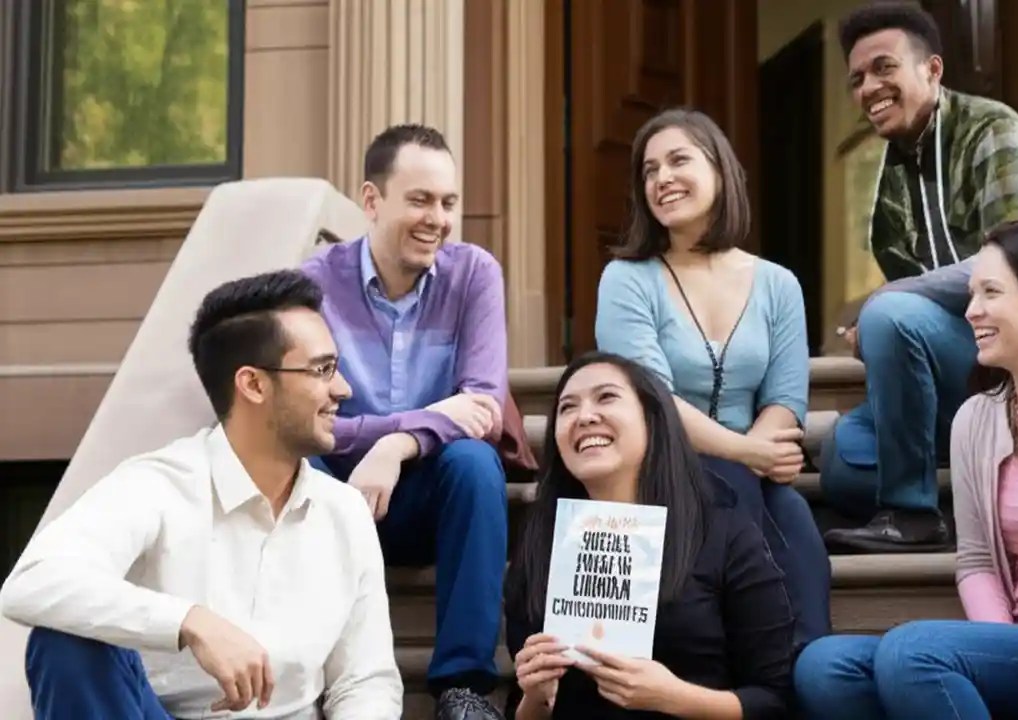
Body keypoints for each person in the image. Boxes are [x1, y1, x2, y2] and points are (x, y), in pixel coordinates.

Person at [0, 270, 402, 719]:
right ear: (252, 384)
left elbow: (365, 681)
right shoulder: (157, 485)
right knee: (66, 643)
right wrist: (189, 621)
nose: (342, 388)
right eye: (321, 369)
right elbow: (31, 581)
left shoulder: (343, 511)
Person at [795, 220, 1018, 719]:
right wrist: (996, 647)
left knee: (912, 654)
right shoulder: (978, 418)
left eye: (991, 292)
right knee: (826, 666)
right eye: (972, 293)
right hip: (1007, 644)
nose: (971, 311)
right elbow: (975, 561)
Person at [822, 0, 1018, 553]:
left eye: (884, 67)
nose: (869, 87)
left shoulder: (990, 129)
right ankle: (988, 499)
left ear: (932, 69)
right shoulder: (890, 188)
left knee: (888, 312)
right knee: (840, 458)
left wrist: (886, 303)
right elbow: (914, 322)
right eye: (857, 79)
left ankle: (910, 514)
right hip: (959, 374)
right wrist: (882, 329)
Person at [594, 107, 831, 647]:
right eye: (649, 170)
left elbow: (785, 399)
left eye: (678, 160)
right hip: (665, 469)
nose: (662, 179)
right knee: (736, 493)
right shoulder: (626, 279)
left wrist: (758, 451)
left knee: (794, 524)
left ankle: (805, 669)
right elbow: (651, 398)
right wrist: (750, 455)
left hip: (755, 476)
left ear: (720, 171)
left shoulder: (778, 284)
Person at [300, 123, 508, 718]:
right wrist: (432, 416)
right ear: (371, 200)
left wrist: (397, 445)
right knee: (296, 459)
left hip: (424, 498)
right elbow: (306, 418)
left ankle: (464, 688)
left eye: (448, 203)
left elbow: (485, 406)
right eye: (419, 200)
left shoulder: (474, 275)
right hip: (337, 498)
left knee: (474, 462)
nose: (437, 219)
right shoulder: (316, 284)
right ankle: (305, 669)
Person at [505, 352, 794, 719]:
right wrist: (535, 696)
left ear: (652, 419)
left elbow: (773, 700)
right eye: (567, 408)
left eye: (606, 397)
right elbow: (523, 711)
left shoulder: (722, 533)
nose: (585, 416)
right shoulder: (540, 543)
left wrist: (675, 697)